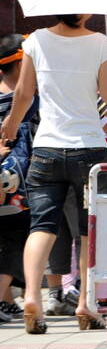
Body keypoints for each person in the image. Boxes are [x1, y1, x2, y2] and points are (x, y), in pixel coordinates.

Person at [0, 14, 107, 334]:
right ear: (84, 12)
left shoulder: (36, 41)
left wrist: (11, 125)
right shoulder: (101, 44)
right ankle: (85, 303)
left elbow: (25, 94)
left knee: (41, 226)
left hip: (46, 150)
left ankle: (31, 297)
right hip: (89, 150)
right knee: (87, 232)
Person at [0, 34, 37, 323]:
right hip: (18, 179)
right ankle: (2, 297)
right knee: (17, 234)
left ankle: (7, 297)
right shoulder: (26, 97)